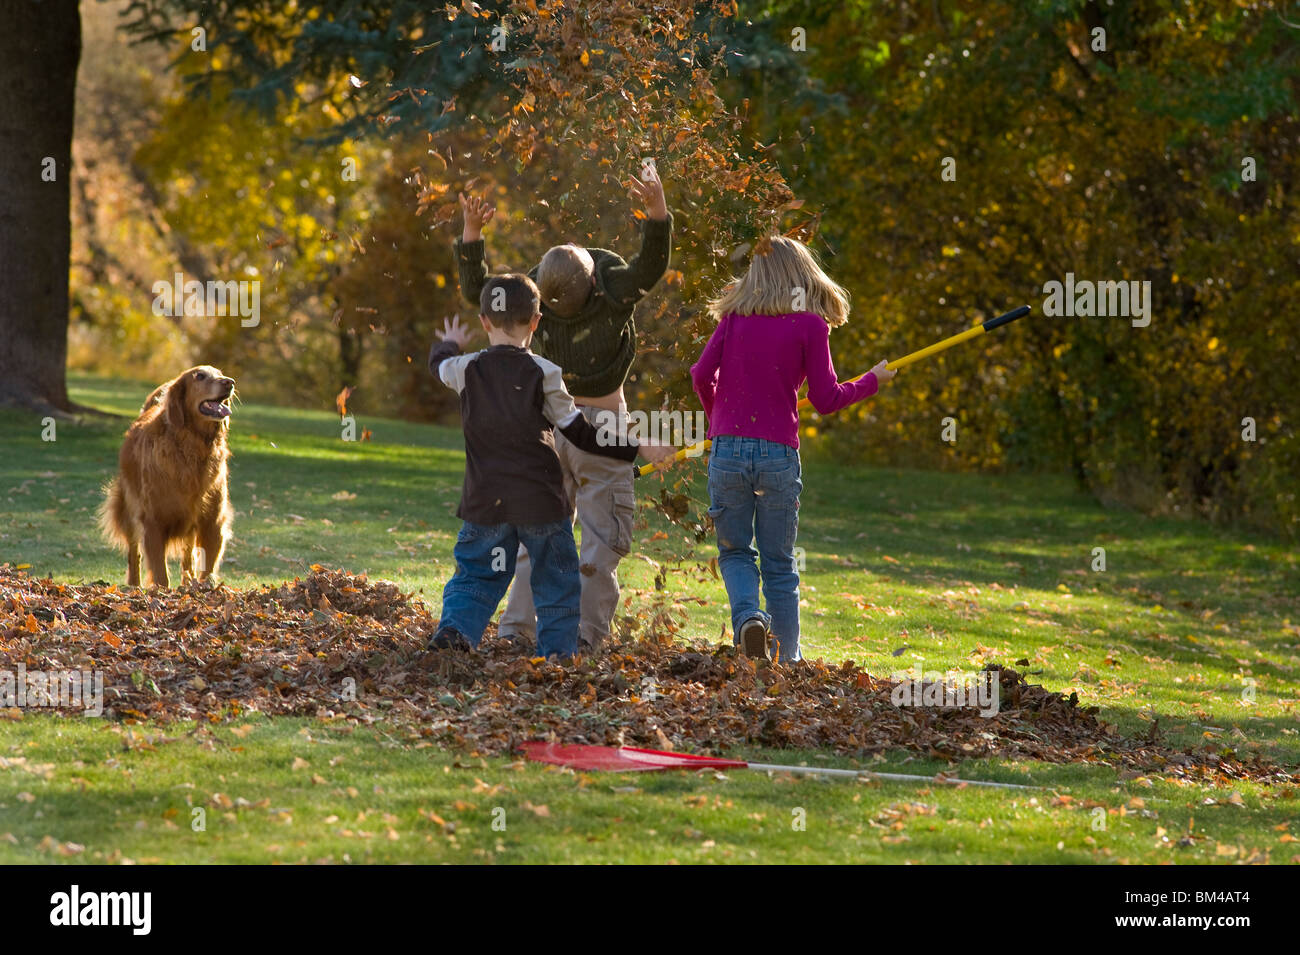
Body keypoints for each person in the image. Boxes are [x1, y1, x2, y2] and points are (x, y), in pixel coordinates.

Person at [454, 164, 673, 653]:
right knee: (598, 546)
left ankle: (516, 632)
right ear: (596, 285)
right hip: (601, 431)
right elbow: (651, 266)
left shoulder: (530, 310)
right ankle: (585, 639)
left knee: (541, 538)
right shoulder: (615, 295)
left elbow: (480, 293)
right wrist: (656, 212)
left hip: (548, 433)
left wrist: (472, 234)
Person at [428, 273, 675, 659]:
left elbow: (438, 364)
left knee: (476, 574)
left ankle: (455, 633)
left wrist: (448, 343)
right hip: (540, 503)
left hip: (485, 501)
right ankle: (557, 654)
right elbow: (580, 434)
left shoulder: (466, 368)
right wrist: (636, 446)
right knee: (556, 580)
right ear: (536, 322)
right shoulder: (545, 373)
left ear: (484, 322)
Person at [690, 236, 897, 663]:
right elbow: (826, 399)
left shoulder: (734, 318)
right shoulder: (809, 325)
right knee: (779, 563)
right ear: (802, 275)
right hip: (777, 456)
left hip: (728, 452)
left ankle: (748, 617)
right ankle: (787, 660)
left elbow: (699, 375)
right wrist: (872, 380)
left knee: (735, 551)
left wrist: (718, 423)